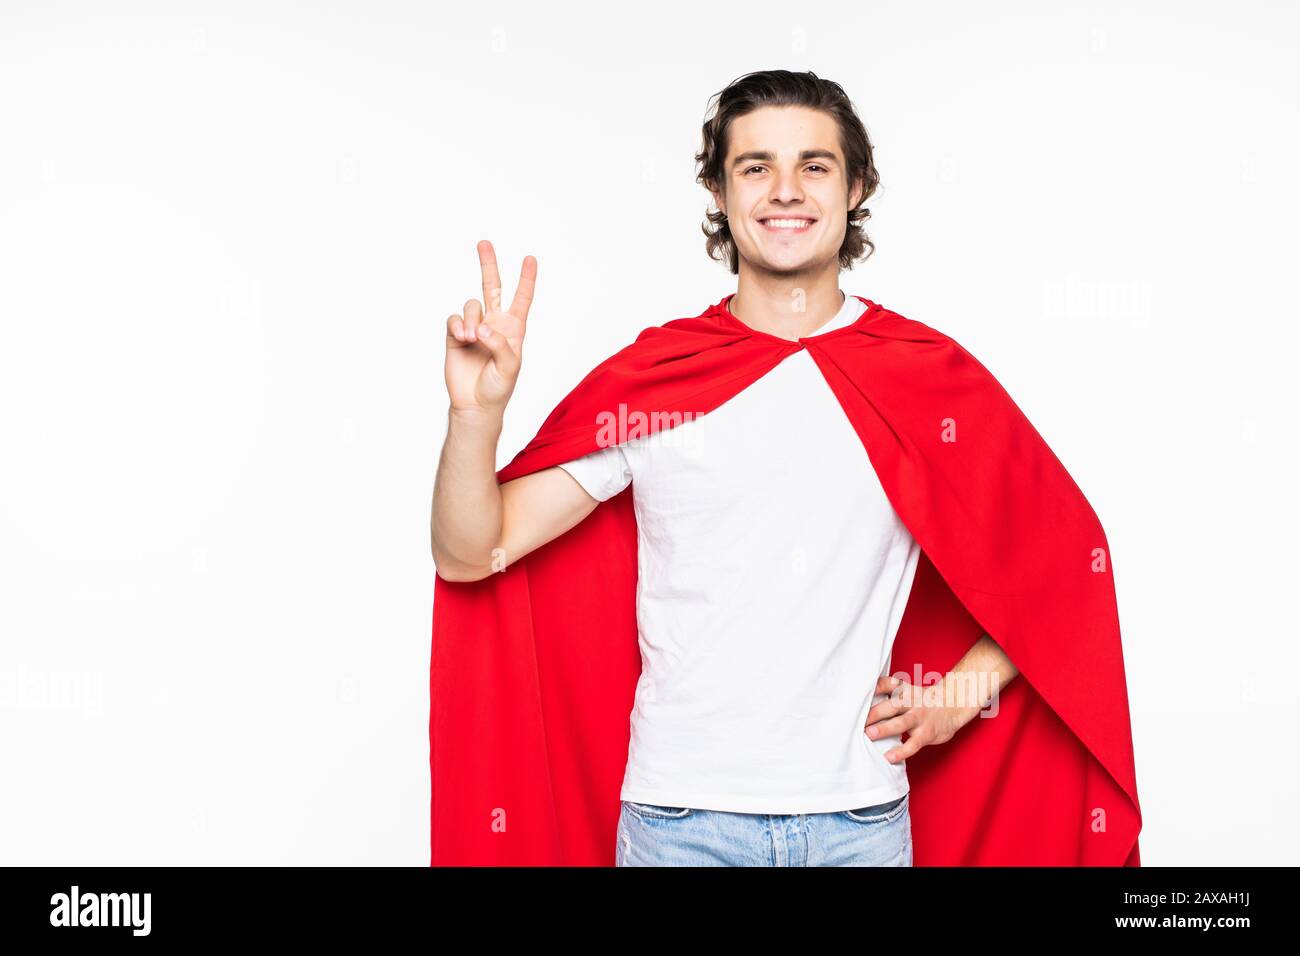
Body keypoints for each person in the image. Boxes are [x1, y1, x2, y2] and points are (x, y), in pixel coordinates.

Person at [429, 70, 1036, 867]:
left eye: (814, 166)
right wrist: (475, 421)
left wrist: (962, 695)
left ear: (856, 187)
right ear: (719, 189)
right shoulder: (659, 380)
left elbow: (1055, 563)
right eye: (755, 167)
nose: (785, 190)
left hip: (859, 824)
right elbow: (472, 553)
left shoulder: (924, 377)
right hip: (680, 826)